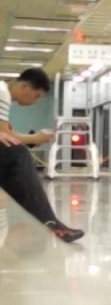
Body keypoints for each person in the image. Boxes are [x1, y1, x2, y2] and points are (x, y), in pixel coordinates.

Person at [0, 69, 83, 243]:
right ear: (25, 86)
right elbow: (4, 134)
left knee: (16, 153)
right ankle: (48, 222)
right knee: (18, 154)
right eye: (36, 96)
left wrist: (30, 139)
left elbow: (5, 134)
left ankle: (43, 221)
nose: (34, 101)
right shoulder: (2, 91)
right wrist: (34, 138)